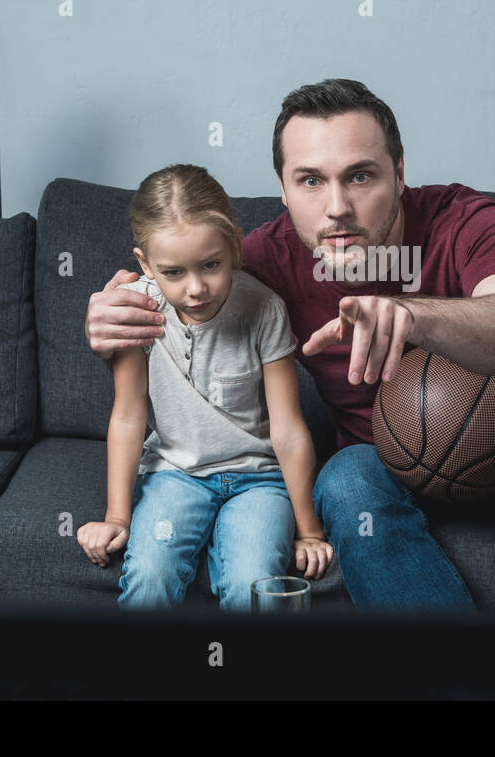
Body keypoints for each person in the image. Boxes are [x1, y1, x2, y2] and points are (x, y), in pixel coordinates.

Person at [84, 79, 495, 615]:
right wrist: (111, 315)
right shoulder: (264, 259)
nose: (336, 208)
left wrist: (412, 313)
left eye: (359, 176)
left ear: (399, 174)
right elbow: (181, 280)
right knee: (345, 480)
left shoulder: (467, 219)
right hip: (391, 460)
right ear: (281, 188)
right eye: (309, 181)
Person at [76, 163, 334, 611]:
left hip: (259, 478)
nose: (196, 289)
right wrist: (116, 515)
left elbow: (289, 429)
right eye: (173, 272)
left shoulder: (265, 309)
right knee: (149, 579)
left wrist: (309, 530)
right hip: (174, 474)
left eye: (211, 265)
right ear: (145, 264)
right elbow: (129, 415)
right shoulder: (137, 308)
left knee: (255, 587)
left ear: (234, 245)